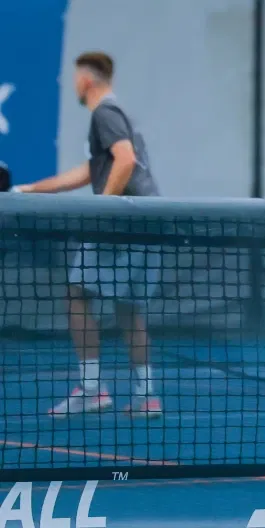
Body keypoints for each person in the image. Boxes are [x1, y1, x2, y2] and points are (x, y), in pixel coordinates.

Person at [17, 51, 163, 418]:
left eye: (74, 80)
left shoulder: (104, 113)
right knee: (128, 308)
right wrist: (31, 189)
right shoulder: (118, 113)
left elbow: (125, 160)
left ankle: (93, 389)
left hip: (120, 222)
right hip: (146, 221)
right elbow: (90, 170)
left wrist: (103, 207)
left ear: (85, 80)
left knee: (76, 294)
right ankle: (147, 396)